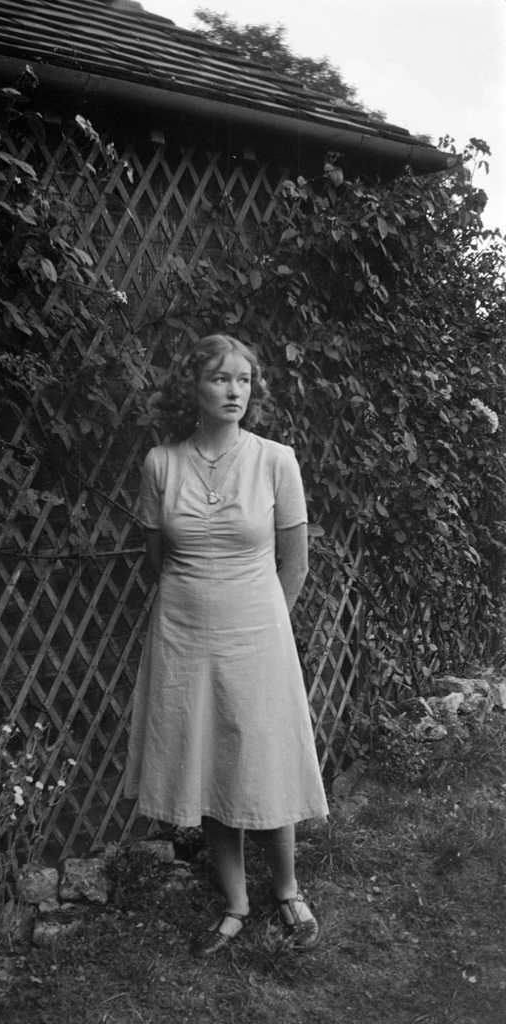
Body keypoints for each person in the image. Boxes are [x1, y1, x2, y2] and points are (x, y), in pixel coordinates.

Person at [124, 333, 328, 956]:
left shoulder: (276, 460)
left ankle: (288, 889)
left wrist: (265, 627)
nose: (234, 390)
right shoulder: (161, 463)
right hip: (183, 634)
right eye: (219, 378)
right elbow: (157, 557)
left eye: (243, 379)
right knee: (207, 756)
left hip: (259, 634)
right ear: (193, 387)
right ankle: (236, 901)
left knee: (263, 754)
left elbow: (295, 563)